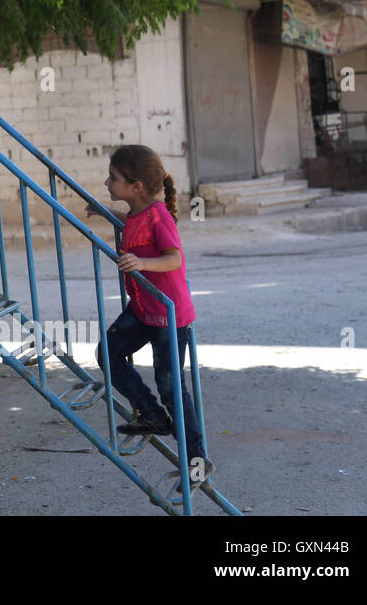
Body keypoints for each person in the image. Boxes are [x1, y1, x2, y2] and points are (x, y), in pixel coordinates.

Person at [88, 144, 213, 489]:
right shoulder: (137, 214)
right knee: (108, 354)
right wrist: (103, 212)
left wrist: (142, 264)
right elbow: (131, 228)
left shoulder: (159, 216)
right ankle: (152, 414)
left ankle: (197, 460)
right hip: (143, 309)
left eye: (113, 179)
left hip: (170, 316)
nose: (107, 183)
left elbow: (174, 258)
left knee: (172, 387)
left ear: (136, 186)